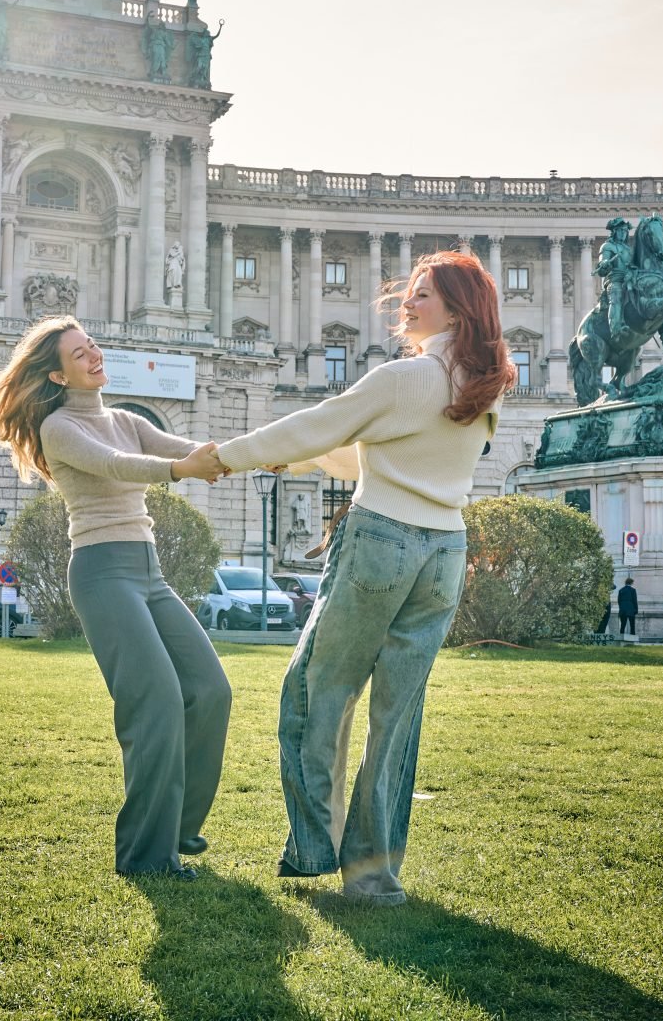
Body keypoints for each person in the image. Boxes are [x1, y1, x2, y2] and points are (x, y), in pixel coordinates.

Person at [215, 249, 514, 905]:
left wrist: (221, 457)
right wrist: (306, 458)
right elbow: (365, 454)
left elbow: (314, 425)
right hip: (444, 555)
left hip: (380, 543)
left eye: (423, 295)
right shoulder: (481, 385)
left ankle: (313, 847)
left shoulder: (401, 378)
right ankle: (374, 876)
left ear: (457, 308)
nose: (407, 304)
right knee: (396, 719)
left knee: (313, 692)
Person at [0, 316, 231, 878]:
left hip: (149, 571)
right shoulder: (60, 429)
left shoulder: (126, 419)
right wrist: (178, 470)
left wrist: (260, 454)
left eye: (92, 345)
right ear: (58, 376)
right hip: (101, 572)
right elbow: (118, 466)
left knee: (210, 690)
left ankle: (179, 828)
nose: (93, 355)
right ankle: (146, 855)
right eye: (78, 352)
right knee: (156, 701)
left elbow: (195, 448)